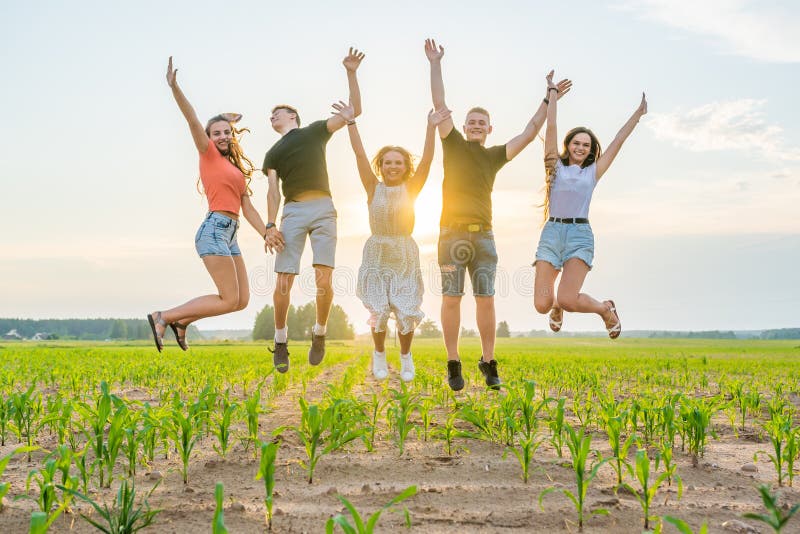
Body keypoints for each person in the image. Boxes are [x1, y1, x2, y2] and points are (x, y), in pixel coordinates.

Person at [425, 39, 571, 391]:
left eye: (482, 123)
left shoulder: (493, 156)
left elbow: (530, 131)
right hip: (450, 236)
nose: (476, 125)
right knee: (450, 298)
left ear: (490, 129)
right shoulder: (453, 143)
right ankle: (453, 362)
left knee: (486, 299)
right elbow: (440, 105)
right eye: (471, 121)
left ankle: (489, 362)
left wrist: (548, 97)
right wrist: (435, 63)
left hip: (484, 236)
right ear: (464, 125)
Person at [147, 57, 267, 352]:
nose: (223, 136)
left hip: (230, 233)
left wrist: (267, 233)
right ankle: (163, 316)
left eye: (227, 132)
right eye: (217, 133)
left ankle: (182, 322)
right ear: (209, 138)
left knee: (240, 302)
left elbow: (247, 208)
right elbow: (192, 119)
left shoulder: (236, 169)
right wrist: (175, 88)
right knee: (227, 298)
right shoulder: (207, 154)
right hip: (214, 229)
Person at [333, 100, 452, 381]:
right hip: (376, 252)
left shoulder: (412, 187)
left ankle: (406, 356)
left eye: (398, 162)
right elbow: (360, 156)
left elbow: (427, 160)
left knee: (406, 310)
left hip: (405, 252)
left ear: (405, 166)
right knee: (379, 308)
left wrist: (431, 127)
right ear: (381, 166)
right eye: (388, 162)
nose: (393, 166)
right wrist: (351, 123)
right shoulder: (373, 187)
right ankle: (379, 356)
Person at [262, 48, 364, 373]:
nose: (272, 118)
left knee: (324, 280)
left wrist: (351, 72)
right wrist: (269, 225)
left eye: (276, 113)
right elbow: (272, 191)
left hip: (323, 208)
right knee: (283, 282)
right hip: (291, 213)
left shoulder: (314, 131)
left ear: (292, 116)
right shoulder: (272, 153)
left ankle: (319, 333)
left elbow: (354, 111)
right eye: (271, 116)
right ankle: (281, 341)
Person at [533, 72, 647, 338]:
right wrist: (552, 95)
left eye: (586, 144)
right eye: (576, 143)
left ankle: (605, 310)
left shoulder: (593, 171)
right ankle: (555, 306)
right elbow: (550, 130)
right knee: (541, 305)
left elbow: (618, 140)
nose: (581, 148)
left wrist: (637, 115)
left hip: (579, 236)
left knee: (570, 299)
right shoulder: (554, 166)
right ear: (568, 145)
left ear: (591, 148)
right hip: (551, 234)